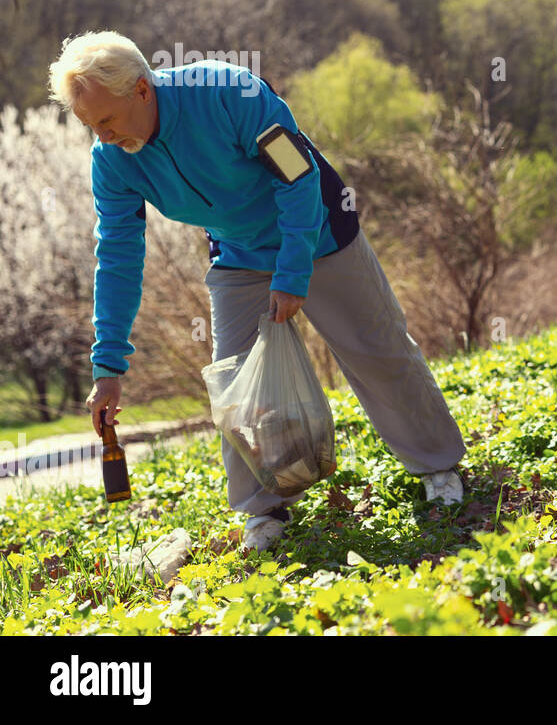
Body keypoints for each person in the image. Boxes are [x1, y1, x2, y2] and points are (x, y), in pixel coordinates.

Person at [48, 31, 468, 551]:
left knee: (377, 352)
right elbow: (116, 256)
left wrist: (293, 273)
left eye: (105, 120)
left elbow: (297, 176)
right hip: (239, 253)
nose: (102, 136)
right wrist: (108, 367)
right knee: (238, 385)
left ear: (140, 89)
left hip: (318, 232)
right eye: (90, 125)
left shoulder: (231, 93)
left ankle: (438, 468)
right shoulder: (112, 160)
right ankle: (265, 511)